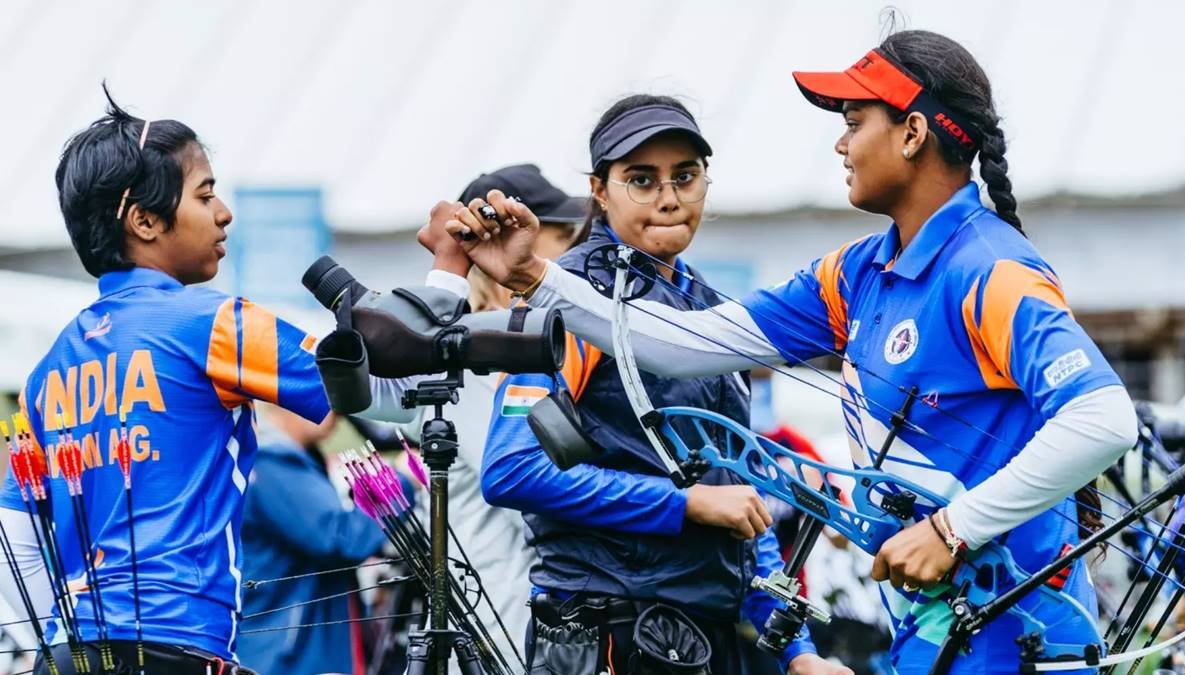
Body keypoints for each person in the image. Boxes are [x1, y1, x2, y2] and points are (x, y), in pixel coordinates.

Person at [446, 32, 1140, 674]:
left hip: (1016, 626)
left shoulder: (989, 268)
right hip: (926, 628)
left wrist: (954, 529)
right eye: (640, 178)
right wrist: (538, 278)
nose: (840, 145)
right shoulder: (856, 271)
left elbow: (1104, 418)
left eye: (852, 122)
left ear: (912, 133)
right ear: (601, 188)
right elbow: (683, 346)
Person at [0, 87, 465, 674]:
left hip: (68, 657)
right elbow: (391, 392)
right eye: (206, 194)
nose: (224, 214)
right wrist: (448, 270)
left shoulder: (49, 371)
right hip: (176, 655)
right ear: (144, 221)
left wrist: (82, 653)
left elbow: (16, 540)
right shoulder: (210, 323)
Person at [456, 94, 848, 675]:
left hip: (703, 640)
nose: (668, 198)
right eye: (641, 180)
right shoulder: (568, 300)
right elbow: (514, 470)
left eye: (684, 177)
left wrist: (796, 651)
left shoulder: (712, 310)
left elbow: (740, 497)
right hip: (607, 634)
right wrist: (683, 504)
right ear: (599, 190)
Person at [409, 164, 586, 671]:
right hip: (496, 622)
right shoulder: (460, 365)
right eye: (561, 240)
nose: (572, 259)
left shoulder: (514, 359)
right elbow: (528, 480)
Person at [238, 405, 394, 675]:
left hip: (280, 647)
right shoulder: (272, 462)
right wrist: (393, 481)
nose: (338, 408)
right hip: (288, 656)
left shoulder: (281, 458)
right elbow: (342, 538)